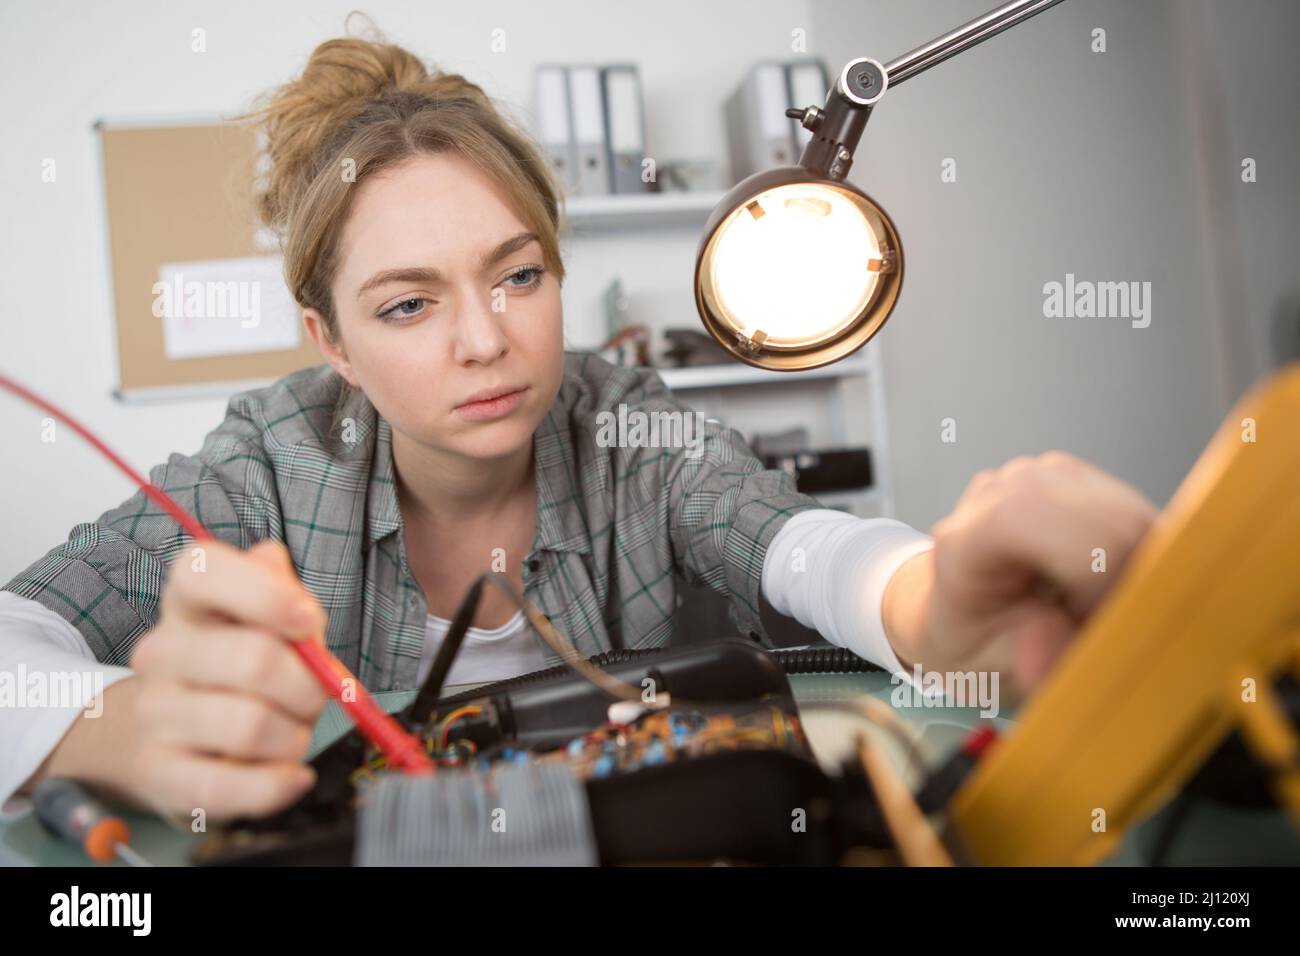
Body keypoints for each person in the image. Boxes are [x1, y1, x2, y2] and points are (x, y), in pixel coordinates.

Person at [0, 35, 1156, 824]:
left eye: (516, 275)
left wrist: (927, 596)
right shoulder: (266, 462)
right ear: (332, 341)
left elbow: (790, 540)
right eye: (408, 303)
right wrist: (111, 720)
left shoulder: (628, 426)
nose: (484, 340)